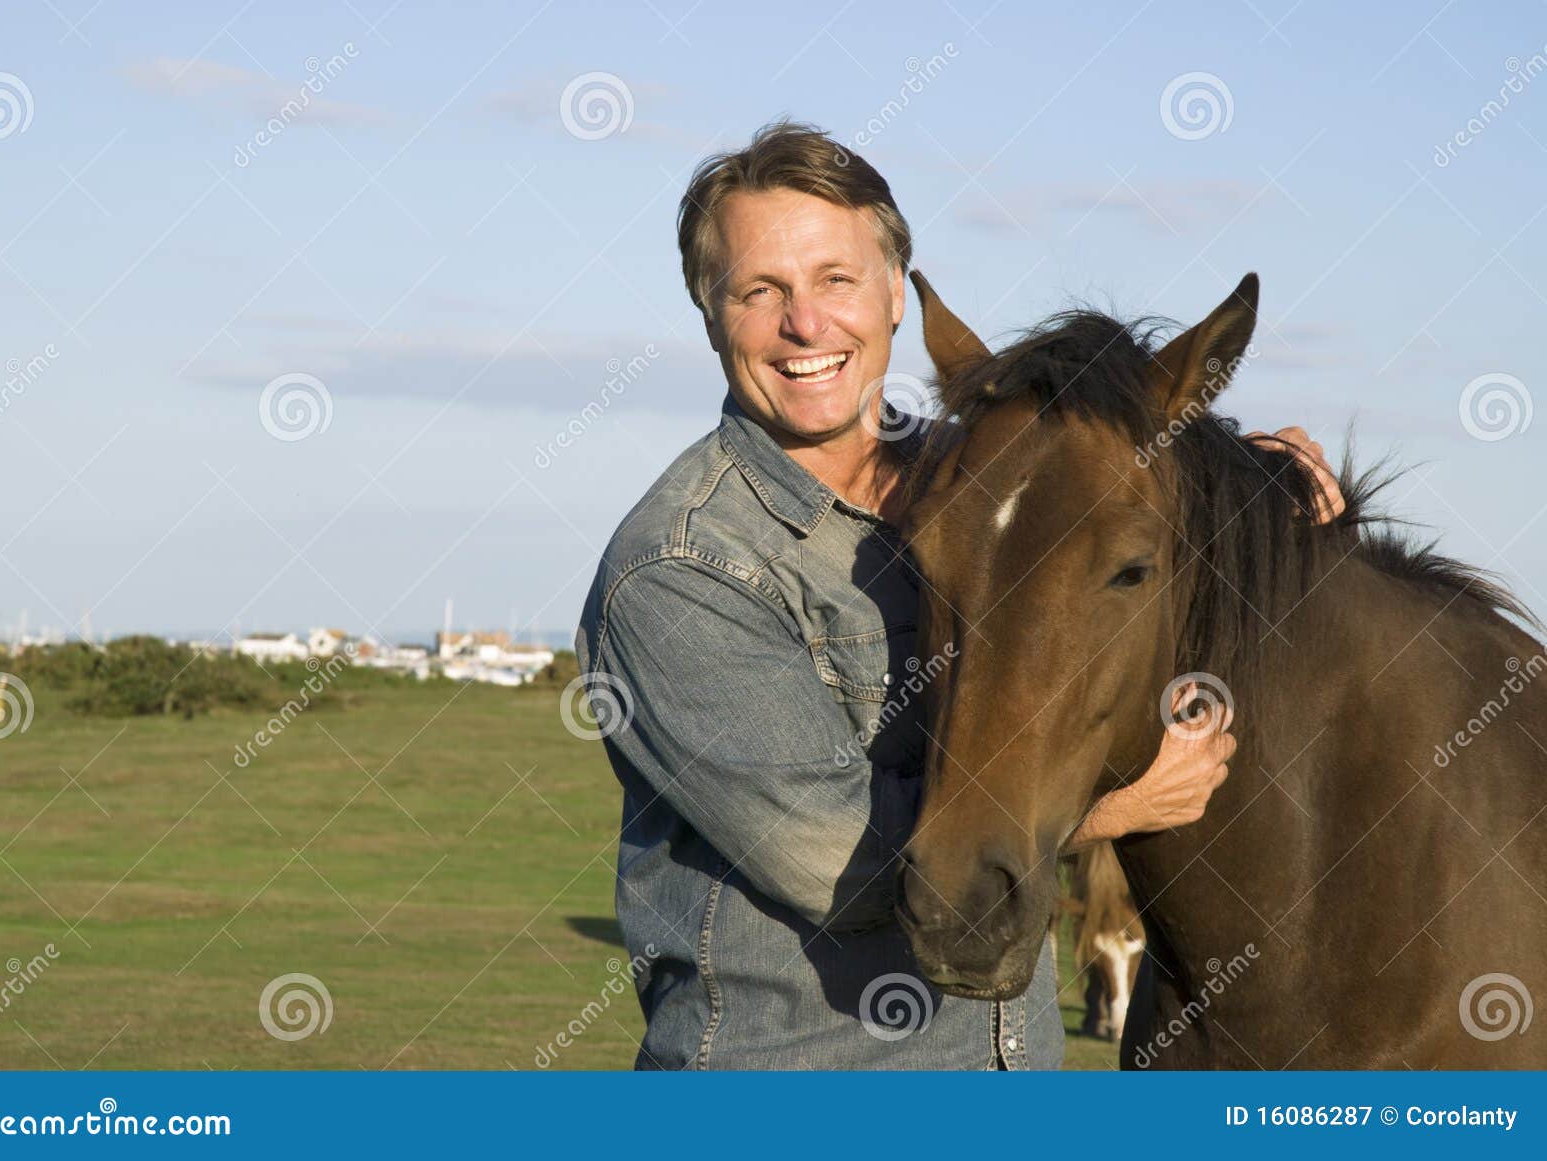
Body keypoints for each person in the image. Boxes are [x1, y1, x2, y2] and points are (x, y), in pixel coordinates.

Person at [574, 120, 1341, 1070]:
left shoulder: (986, 495)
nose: (805, 325)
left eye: (835, 280)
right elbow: (832, 859)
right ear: (708, 311)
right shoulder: (681, 566)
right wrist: (1120, 806)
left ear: (898, 295)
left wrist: (1259, 479)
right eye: (759, 291)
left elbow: (1104, 521)